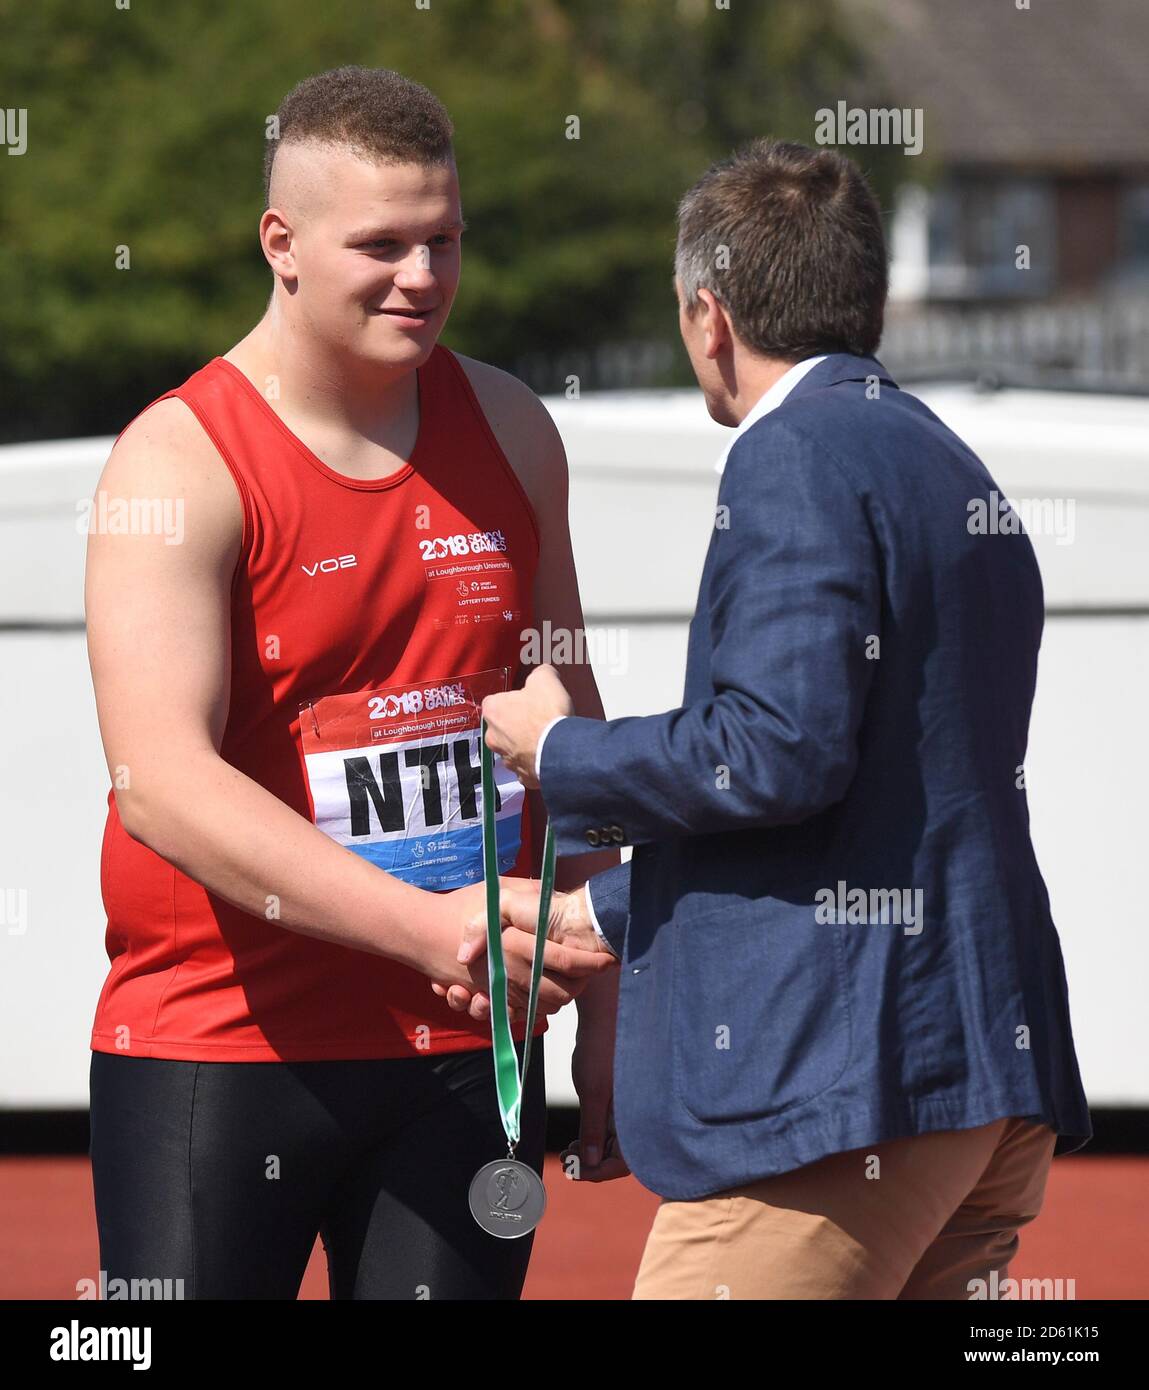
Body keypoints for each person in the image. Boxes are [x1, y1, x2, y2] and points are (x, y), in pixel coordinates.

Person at [455, 139, 1093, 1299]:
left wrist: (558, 750)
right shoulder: (945, 459)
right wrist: (602, 909)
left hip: (848, 1088)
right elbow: (875, 803)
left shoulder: (792, 454)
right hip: (976, 1066)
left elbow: (774, 751)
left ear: (711, 315)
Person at [84, 65, 617, 1301]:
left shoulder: (515, 427)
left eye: (445, 241)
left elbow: (567, 727)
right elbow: (159, 781)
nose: (422, 278)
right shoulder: (177, 460)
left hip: (464, 1057)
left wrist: (613, 1000)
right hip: (224, 1048)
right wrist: (436, 929)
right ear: (280, 242)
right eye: (381, 245)